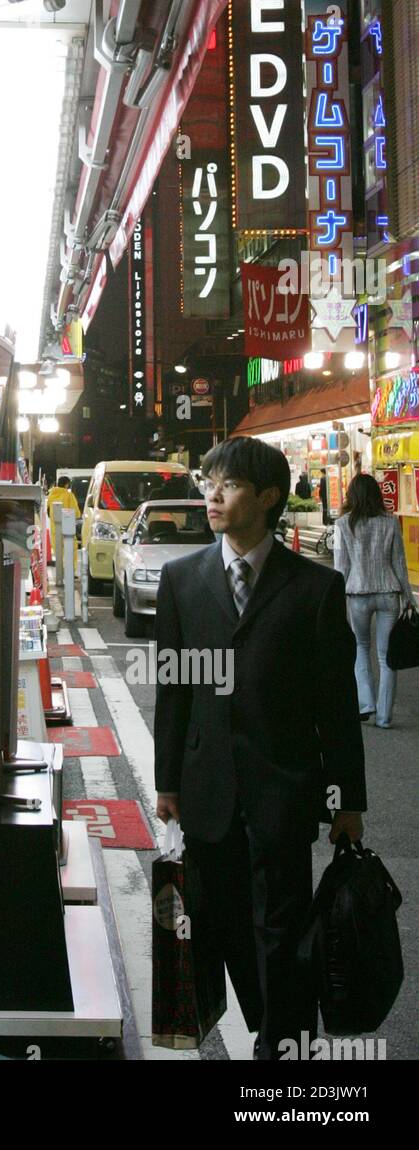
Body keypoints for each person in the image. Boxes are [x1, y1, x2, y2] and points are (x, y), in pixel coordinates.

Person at [154, 436, 366, 1062]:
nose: (212, 495)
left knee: (283, 932)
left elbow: (336, 709)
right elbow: (174, 691)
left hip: (285, 792)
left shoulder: (315, 590)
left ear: (269, 498)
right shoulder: (182, 581)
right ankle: (264, 1025)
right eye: (209, 480)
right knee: (221, 928)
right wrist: (167, 783)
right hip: (207, 789)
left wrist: (348, 800)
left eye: (229, 485)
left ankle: (282, 1057)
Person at [333, 472, 410, 729]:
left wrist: (334, 599)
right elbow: (399, 562)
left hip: (357, 594)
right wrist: (408, 597)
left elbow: (341, 567)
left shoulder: (344, 524)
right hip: (388, 592)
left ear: (351, 495)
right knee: (387, 657)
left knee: (360, 649)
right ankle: (385, 717)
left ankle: (366, 703)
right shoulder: (390, 522)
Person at [46, 475, 81, 564]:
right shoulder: (69, 495)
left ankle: (59, 574)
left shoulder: (51, 495)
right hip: (67, 528)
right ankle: (71, 573)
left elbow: (48, 512)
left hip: (55, 529)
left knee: (58, 552)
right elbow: (76, 513)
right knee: (71, 551)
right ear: (66, 484)